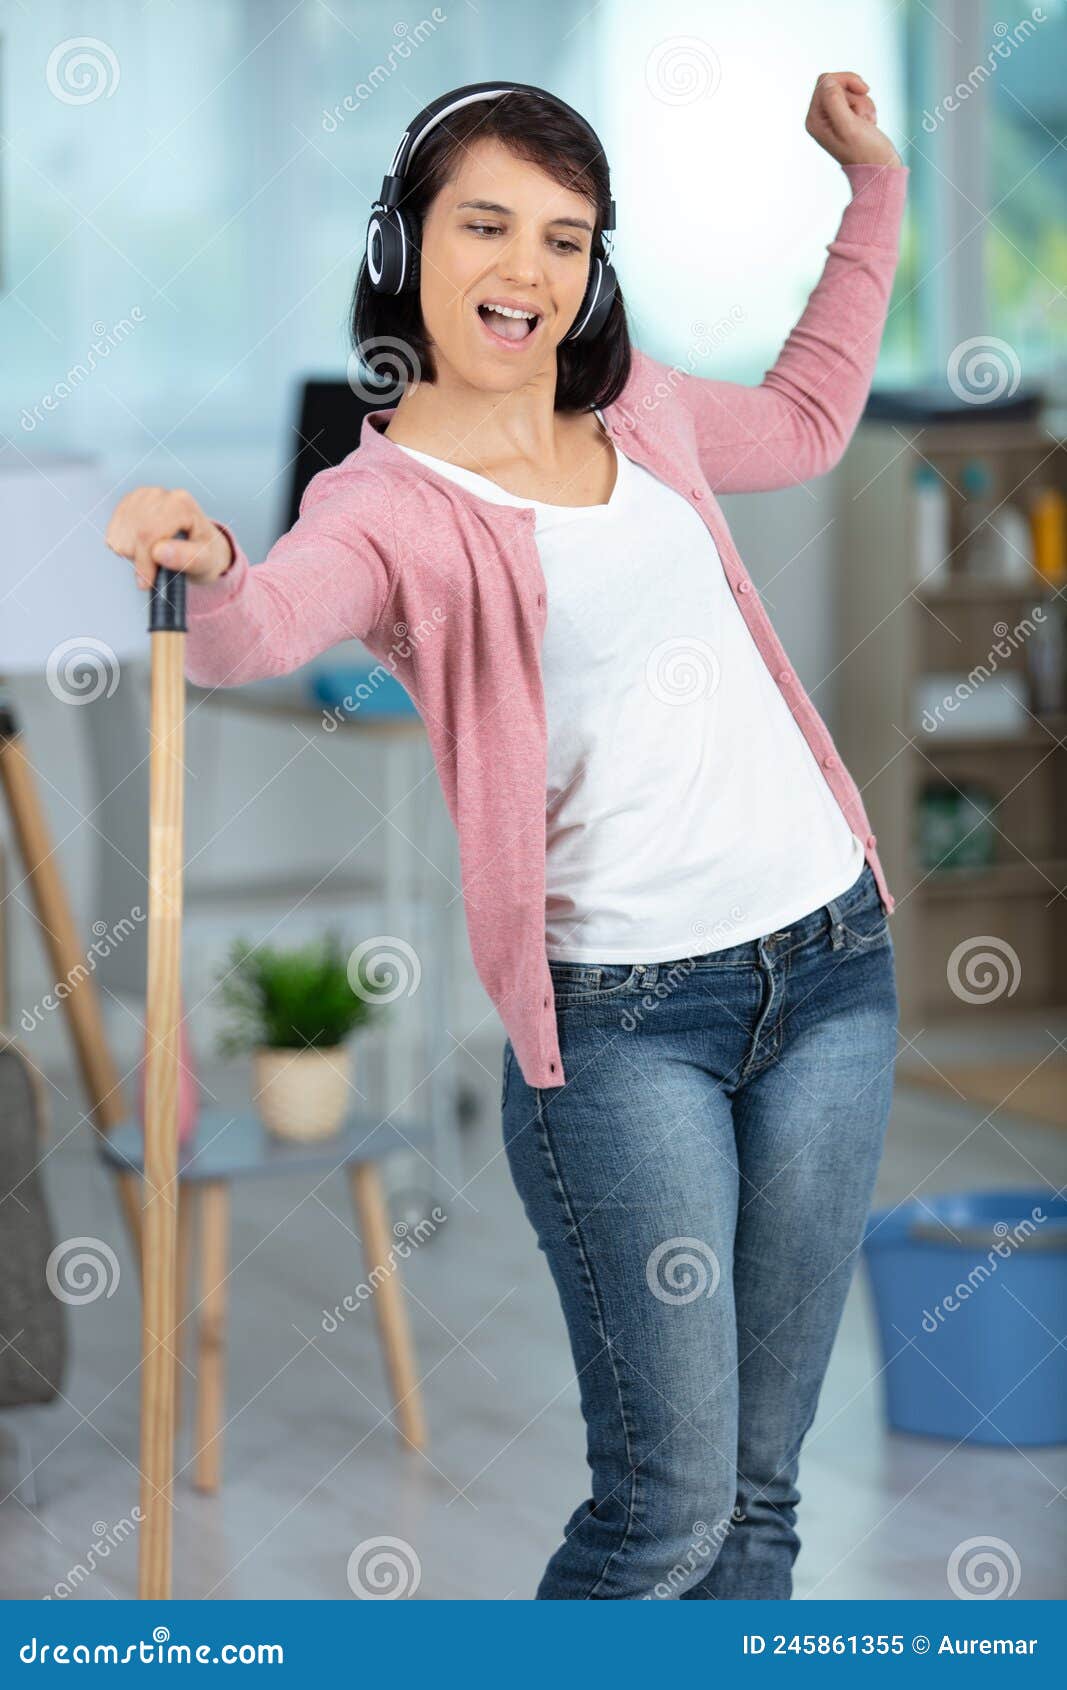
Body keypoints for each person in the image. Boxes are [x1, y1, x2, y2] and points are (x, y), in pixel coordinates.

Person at [106, 76, 908, 1600]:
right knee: (664, 1514)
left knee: (759, 1503)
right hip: (623, 1028)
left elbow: (808, 419)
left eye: (564, 238)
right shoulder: (384, 503)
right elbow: (256, 625)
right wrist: (206, 566)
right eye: (486, 225)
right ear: (405, 241)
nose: (526, 270)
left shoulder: (637, 407)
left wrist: (873, 189)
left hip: (831, 964)